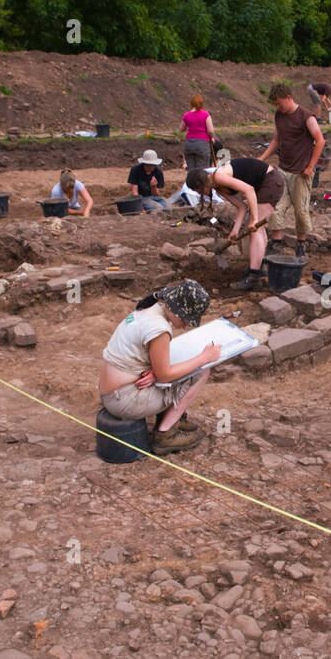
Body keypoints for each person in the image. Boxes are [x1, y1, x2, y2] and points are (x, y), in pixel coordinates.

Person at [98, 280, 218, 455]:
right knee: (201, 371)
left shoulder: (149, 309)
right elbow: (165, 375)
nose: (186, 325)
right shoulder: (158, 329)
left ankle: (171, 416)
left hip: (113, 391)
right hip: (124, 400)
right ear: (177, 310)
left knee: (181, 366)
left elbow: (151, 363)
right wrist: (204, 358)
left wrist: (155, 373)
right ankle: (165, 434)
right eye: (186, 319)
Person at [186, 157, 283, 291]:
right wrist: (234, 231)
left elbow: (248, 190)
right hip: (263, 184)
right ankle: (258, 269)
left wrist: (254, 219)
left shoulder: (219, 177)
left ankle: (254, 276)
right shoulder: (219, 188)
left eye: (198, 191)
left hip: (270, 181)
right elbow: (241, 207)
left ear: (202, 184)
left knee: (255, 229)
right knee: (257, 230)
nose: (200, 194)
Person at [261, 83, 324, 258]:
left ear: (289, 98)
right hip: (283, 169)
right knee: (275, 207)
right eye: (275, 104)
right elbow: (276, 140)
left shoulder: (306, 116)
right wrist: (261, 159)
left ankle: (301, 244)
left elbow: (320, 141)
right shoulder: (279, 115)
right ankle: (277, 242)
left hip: (301, 172)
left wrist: (311, 166)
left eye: (279, 103)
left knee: (301, 210)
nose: (278, 107)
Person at [180, 94, 216, 170]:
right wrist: (211, 137)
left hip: (189, 144)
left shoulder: (186, 115)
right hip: (202, 144)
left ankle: (191, 181)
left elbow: (181, 129)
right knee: (202, 170)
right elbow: (210, 131)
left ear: (191, 103)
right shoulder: (206, 114)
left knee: (191, 170)